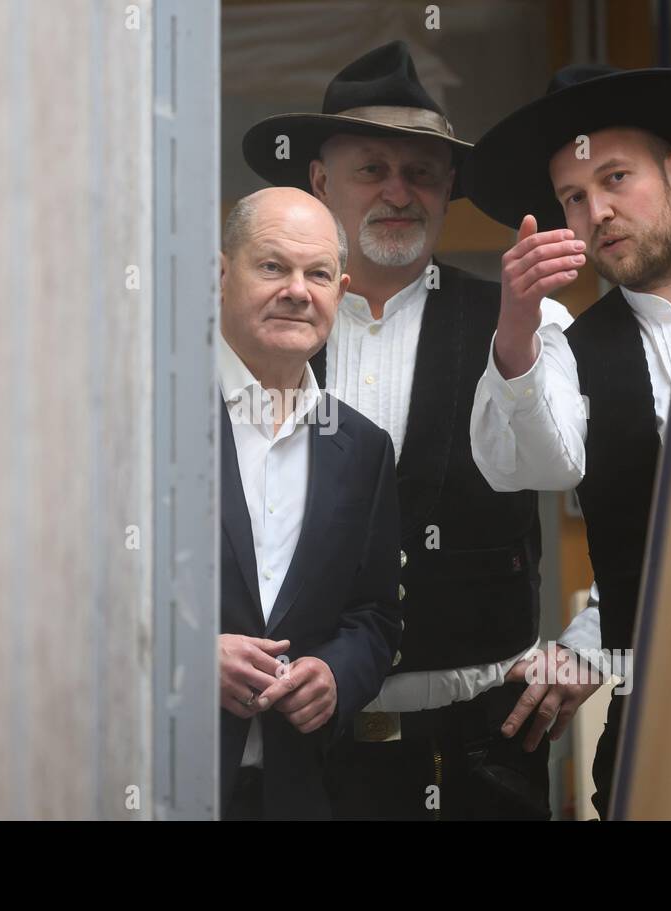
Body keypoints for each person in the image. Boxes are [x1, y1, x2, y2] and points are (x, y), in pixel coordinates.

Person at [242, 41, 594, 820]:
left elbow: (607, 485)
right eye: (372, 169)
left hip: (481, 751)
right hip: (301, 754)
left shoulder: (530, 322)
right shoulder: (261, 336)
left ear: (447, 191)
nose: (398, 192)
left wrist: (591, 637)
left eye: (422, 173)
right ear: (320, 182)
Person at [463, 63, 671, 818]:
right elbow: (533, 465)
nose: (596, 210)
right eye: (574, 197)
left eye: (615, 178)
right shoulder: (571, 349)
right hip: (666, 731)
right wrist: (515, 324)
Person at [217, 186, 402, 820]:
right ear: (220, 274)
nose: (298, 290)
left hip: (301, 794)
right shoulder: (141, 415)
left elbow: (375, 614)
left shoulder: (363, 448)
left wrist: (336, 673)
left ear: (340, 292)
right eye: (272, 267)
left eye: (318, 274)